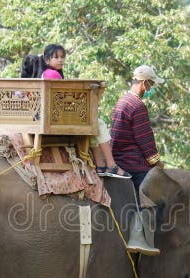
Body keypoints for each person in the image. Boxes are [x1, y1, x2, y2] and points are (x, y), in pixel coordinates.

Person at [20, 44, 130, 179]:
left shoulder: (45, 74)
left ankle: (100, 165)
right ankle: (111, 164)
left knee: (94, 123)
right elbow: (64, 99)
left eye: (62, 57)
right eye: (56, 57)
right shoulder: (52, 74)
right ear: (47, 60)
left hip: (51, 116)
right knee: (98, 124)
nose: (60, 60)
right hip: (57, 118)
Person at [110, 64, 166, 256]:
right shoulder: (138, 105)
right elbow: (145, 139)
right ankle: (138, 238)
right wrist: (156, 162)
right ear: (143, 83)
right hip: (134, 163)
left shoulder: (122, 101)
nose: (152, 88)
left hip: (118, 159)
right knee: (151, 196)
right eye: (151, 84)